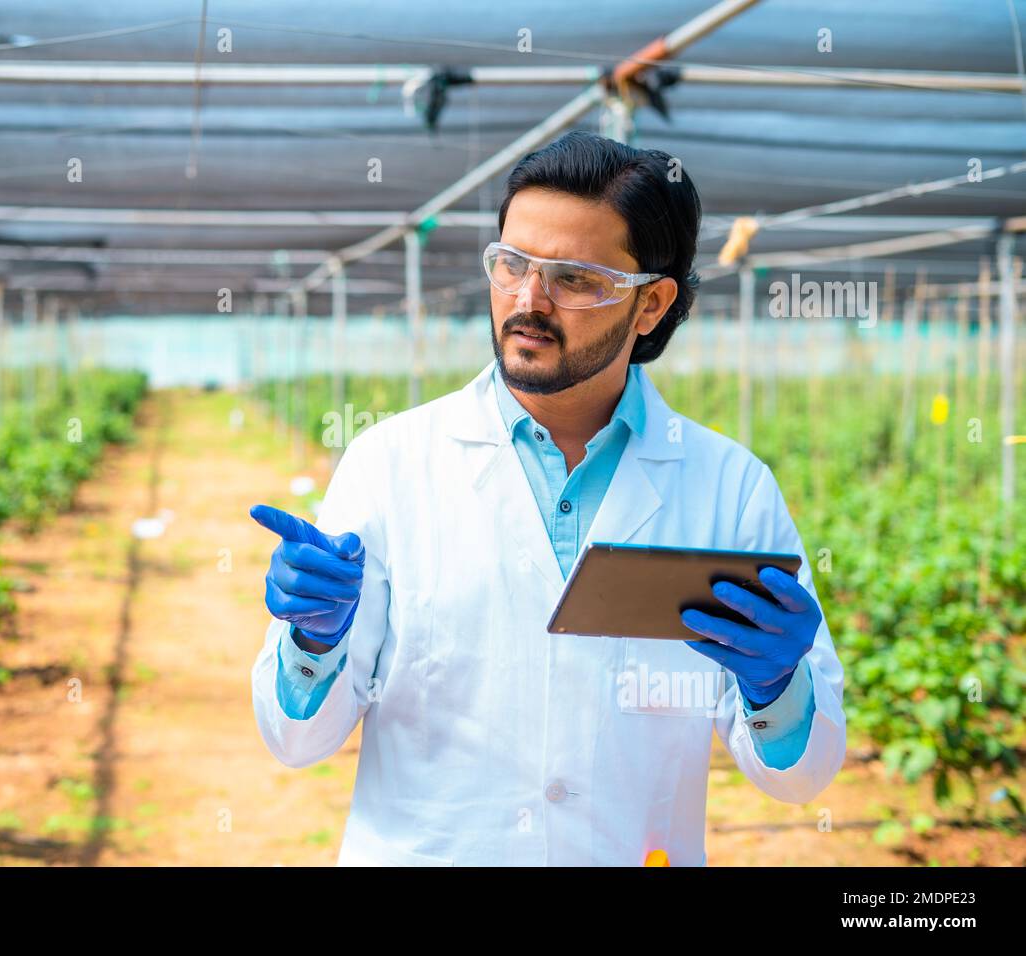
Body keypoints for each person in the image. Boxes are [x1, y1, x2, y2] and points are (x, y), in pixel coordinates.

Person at [249, 131, 846, 866]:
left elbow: (801, 777)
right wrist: (312, 642)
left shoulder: (729, 487)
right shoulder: (390, 463)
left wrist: (777, 687)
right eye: (511, 265)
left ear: (652, 303)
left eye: (574, 278)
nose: (528, 300)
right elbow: (297, 740)